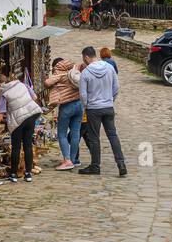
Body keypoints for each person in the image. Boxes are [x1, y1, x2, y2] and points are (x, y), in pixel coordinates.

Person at [78, 45, 125, 177]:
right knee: (112, 135)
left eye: (83, 58)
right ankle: (121, 163)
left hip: (93, 108)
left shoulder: (86, 73)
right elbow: (116, 87)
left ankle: (95, 166)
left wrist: (86, 105)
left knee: (94, 138)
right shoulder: (109, 68)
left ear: (87, 57)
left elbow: (82, 94)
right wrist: (110, 100)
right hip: (108, 107)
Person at [0, 69, 43, 182]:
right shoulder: (22, 84)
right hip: (31, 116)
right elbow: (34, 98)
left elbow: (0, 115)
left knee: (16, 147)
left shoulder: (4, 94)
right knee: (28, 144)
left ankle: (13, 174)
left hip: (18, 121)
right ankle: (28, 173)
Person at [44, 56, 83, 171]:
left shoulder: (60, 75)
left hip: (67, 106)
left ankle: (67, 160)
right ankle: (73, 159)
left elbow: (47, 83)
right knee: (75, 133)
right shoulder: (74, 73)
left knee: (62, 134)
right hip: (79, 105)